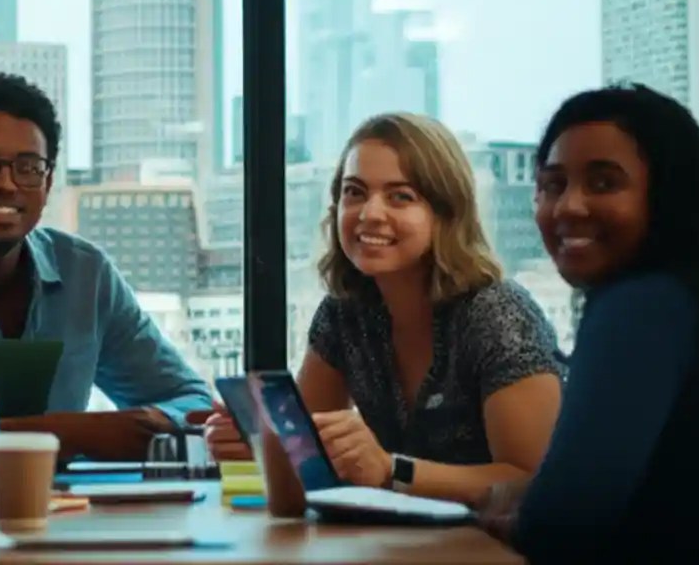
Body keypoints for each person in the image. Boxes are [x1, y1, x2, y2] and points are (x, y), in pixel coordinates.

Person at [206, 113, 564, 504]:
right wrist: (263, 444)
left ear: (446, 214)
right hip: (402, 546)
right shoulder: (345, 314)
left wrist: (392, 471)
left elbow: (533, 483)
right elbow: (305, 476)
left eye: (400, 197)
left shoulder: (497, 314)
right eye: (354, 192)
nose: (369, 213)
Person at [0, 72, 213, 461]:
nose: (5, 183)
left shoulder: (85, 274)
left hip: (67, 512)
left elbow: (192, 401)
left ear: (48, 181)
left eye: (29, 167)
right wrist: (61, 434)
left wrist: (143, 423)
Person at [479, 84, 699, 561]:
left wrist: (523, 511)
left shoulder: (643, 306)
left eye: (604, 183)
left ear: (669, 194)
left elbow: (562, 524)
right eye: (553, 185)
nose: (569, 207)